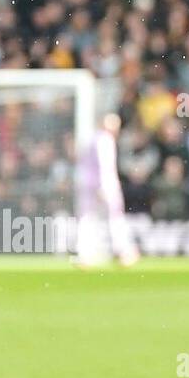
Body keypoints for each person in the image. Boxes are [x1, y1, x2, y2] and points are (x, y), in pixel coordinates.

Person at [75, 112, 140, 268]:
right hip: (104, 185)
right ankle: (124, 251)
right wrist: (103, 187)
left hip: (87, 185)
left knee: (87, 219)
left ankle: (85, 254)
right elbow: (105, 166)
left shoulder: (91, 139)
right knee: (115, 218)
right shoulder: (105, 140)